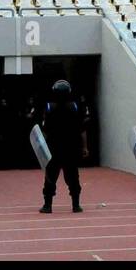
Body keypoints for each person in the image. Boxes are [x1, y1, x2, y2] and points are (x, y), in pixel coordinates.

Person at [39, 80, 86, 214]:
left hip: (53, 148)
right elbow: (82, 129)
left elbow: (44, 130)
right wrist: (84, 147)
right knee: (72, 177)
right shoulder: (75, 107)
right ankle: (76, 205)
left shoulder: (49, 107)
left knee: (50, 177)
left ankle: (48, 205)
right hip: (71, 148)